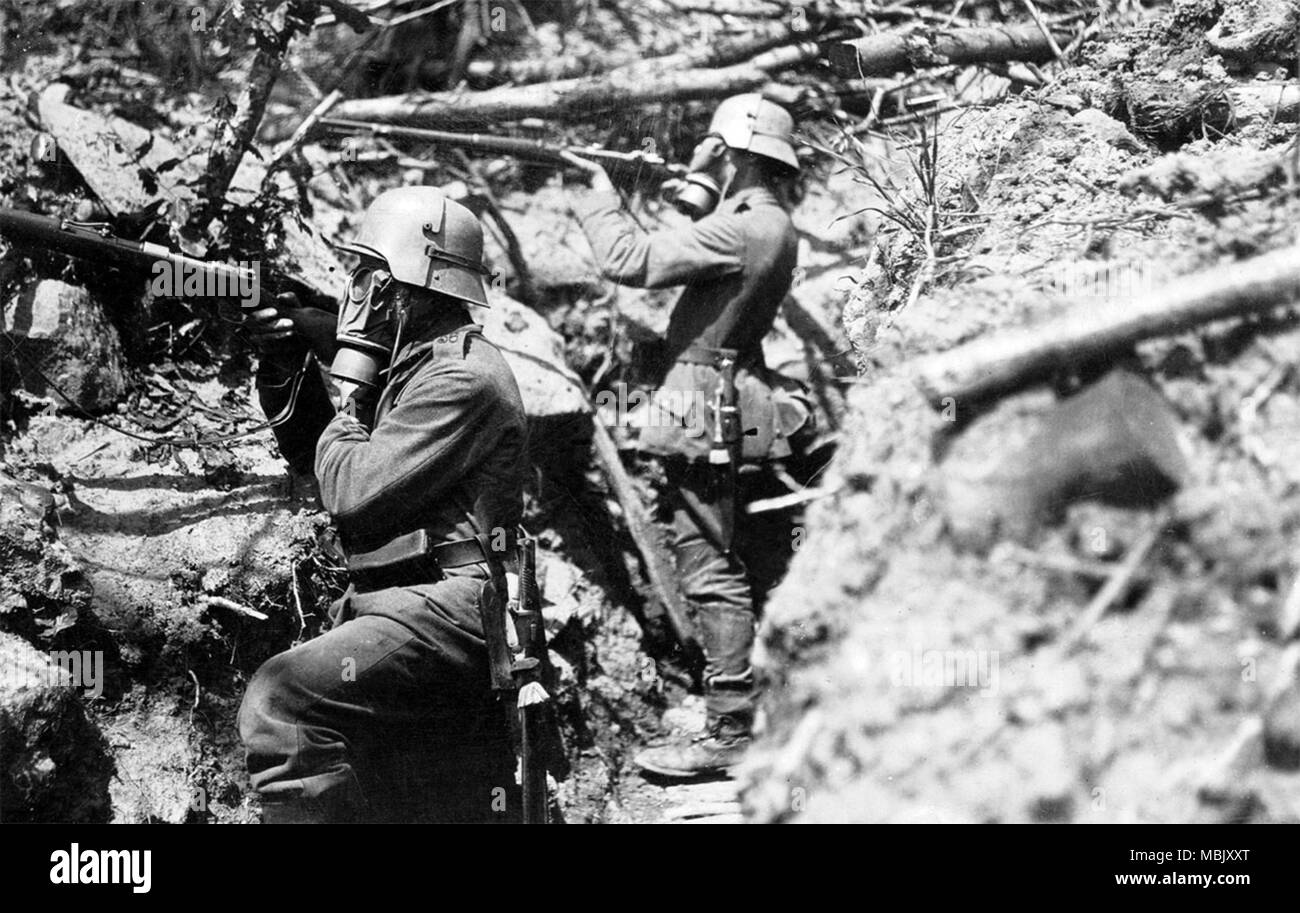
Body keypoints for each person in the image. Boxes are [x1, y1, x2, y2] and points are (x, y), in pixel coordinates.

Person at [237, 186, 530, 822]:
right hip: (394, 598)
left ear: (408, 287)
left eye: (367, 277)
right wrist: (286, 364)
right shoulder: (417, 367)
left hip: (449, 606)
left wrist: (349, 384)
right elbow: (316, 462)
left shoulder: (462, 378)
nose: (354, 293)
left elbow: (350, 493)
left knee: (281, 701)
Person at [564, 94, 814, 778]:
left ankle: (731, 726)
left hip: (700, 405)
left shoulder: (742, 229)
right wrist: (703, 181)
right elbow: (711, 249)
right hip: (735, 398)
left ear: (733, 153)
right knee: (738, 557)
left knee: (707, 564)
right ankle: (752, 705)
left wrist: (595, 192)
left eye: (715, 150)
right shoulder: (767, 223)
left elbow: (630, 259)